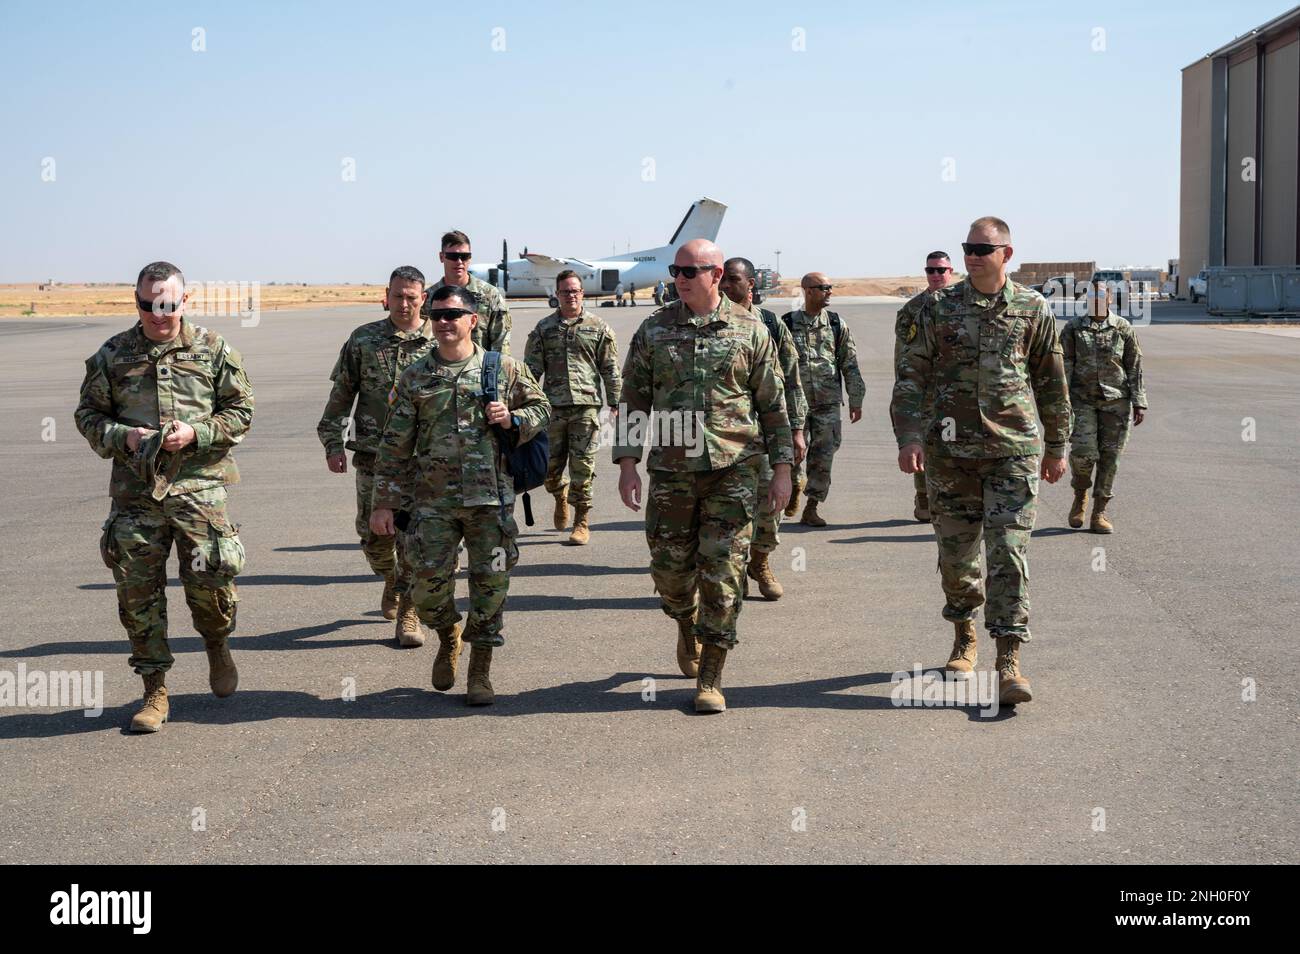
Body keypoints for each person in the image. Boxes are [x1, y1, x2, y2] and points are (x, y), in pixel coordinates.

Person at [892, 216, 1071, 705]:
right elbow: (911, 374)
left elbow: (1051, 381)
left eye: (982, 248)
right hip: (949, 456)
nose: (972, 255)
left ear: (1006, 254)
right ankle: (963, 633)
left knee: (1008, 554)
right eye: (967, 247)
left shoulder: (1032, 308)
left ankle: (1009, 658)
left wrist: (1057, 446)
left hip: (1012, 452)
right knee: (957, 558)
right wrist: (909, 437)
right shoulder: (939, 307)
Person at [75, 261, 255, 732]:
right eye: (148, 305)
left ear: (185, 301)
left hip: (198, 491)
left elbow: (241, 410)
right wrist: (123, 438)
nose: (158, 314)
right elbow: (88, 415)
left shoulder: (212, 350)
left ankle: (217, 643)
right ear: (135, 301)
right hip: (136, 497)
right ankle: (154, 690)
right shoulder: (113, 355)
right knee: (138, 595)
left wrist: (196, 432)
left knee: (212, 582)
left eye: (168, 305)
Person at [615, 239, 792, 713]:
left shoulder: (751, 329)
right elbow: (634, 400)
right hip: (672, 471)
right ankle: (684, 620)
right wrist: (628, 463)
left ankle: (711, 675)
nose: (681, 278)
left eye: (691, 271)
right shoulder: (654, 330)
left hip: (734, 471)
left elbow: (773, 405)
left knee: (725, 574)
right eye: (677, 270)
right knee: (671, 572)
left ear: (716, 275)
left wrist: (782, 470)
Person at [370, 285, 549, 705]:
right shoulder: (415, 377)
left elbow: (542, 409)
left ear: (473, 320)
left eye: (453, 314)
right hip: (432, 503)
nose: (444, 322)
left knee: (492, 586)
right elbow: (394, 444)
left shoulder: (502, 368)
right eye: (437, 315)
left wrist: (514, 417)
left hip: (492, 501)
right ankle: (448, 631)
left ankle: (480, 668)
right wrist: (384, 502)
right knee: (426, 590)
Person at [318, 266, 434, 646]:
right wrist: (333, 443)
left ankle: (409, 612)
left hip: (422, 459)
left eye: (411, 297)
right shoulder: (364, 340)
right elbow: (341, 396)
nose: (404, 304)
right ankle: (390, 579)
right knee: (374, 538)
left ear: (424, 299)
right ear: (388, 295)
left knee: (413, 540)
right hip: (373, 456)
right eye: (398, 296)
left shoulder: (439, 341)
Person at [719, 256, 807, 600]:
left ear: (750, 284)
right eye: (722, 279)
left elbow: (792, 382)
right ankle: (736, 569)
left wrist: (797, 431)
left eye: (733, 280)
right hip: (730, 436)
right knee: (731, 509)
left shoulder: (770, 324)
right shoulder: (713, 322)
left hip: (769, 431)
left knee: (771, 505)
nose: (726, 286)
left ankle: (761, 560)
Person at [523, 269, 622, 545]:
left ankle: (581, 521)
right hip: (552, 410)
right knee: (548, 470)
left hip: (586, 408)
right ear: (557, 295)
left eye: (575, 291)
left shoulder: (599, 328)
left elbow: (610, 369)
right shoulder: (543, 329)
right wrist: (526, 406)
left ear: (582, 293)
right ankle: (559, 494)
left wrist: (614, 403)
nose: (571, 296)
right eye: (565, 291)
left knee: (583, 466)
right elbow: (530, 373)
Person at [1060, 283, 1147, 532]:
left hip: (1116, 401)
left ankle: (1099, 512)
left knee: (1110, 458)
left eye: (1101, 296)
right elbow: (1063, 363)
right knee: (1084, 454)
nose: (1096, 300)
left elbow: (1134, 365)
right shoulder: (1074, 328)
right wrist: (1061, 399)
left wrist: (1139, 401)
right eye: (1091, 296)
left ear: (1109, 299)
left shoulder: (1122, 328)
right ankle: (1080, 495)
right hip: (1082, 400)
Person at [781, 274, 866, 526]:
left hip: (827, 402)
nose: (829, 292)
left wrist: (856, 398)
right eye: (823, 288)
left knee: (824, 455)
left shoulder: (836, 324)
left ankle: (812, 506)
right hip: (796, 403)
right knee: (793, 452)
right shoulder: (786, 324)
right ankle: (795, 485)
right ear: (807, 291)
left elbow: (849, 363)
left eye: (830, 287)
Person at [892, 251, 959, 522]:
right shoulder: (912, 309)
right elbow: (903, 352)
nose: (936, 275)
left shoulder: (962, 304)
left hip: (955, 393)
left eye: (941, 270)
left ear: (950, 271)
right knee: (924, 445)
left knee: (953, 444)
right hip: (924, 392)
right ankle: (923, 497)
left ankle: (949, 499)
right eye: (931, 270)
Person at [421, 230, 511, 353]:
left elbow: (501, 343)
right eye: (452, 257)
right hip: (438, 370)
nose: (459, 262)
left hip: (480, 369)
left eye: (464, 257)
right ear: (441, 257)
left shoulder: (490, 295)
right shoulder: (428, 298)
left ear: (470, 258)